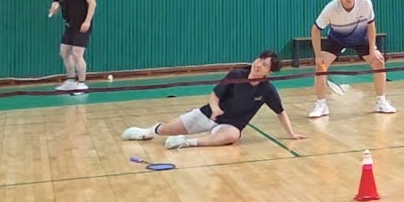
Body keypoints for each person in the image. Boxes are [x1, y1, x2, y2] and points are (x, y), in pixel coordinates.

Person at [121, 50, 305, 149]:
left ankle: (186, 142)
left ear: (269, 71)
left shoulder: (267, 90)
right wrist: (215, 109)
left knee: (233, 136)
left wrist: (291, 133)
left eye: (264, 65)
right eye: (259, 60)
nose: (258, 65)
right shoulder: (236, 75)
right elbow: (214, 95)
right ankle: (147, 131)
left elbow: (280, 112)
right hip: (209, 115)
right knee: (167, 129)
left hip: (229, 125)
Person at [308, 0, 396, 118]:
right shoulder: (331, 8)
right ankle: (321, 105)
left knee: (379, 62)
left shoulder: (365, 2)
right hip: (337, 39)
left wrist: (372, 49)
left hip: (361, 38)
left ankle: (381, 102)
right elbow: (315, 30)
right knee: (320, 67)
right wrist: (318, 55)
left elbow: (371, 25)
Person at [48, 0, 96, 91]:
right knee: (64, 52)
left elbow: (92, 3)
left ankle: (82, 83)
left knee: (77, 53)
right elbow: (56, 4)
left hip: (82, 24)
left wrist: (87, 21)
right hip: (69, 25)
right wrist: (54, 7)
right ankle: (70, 80)